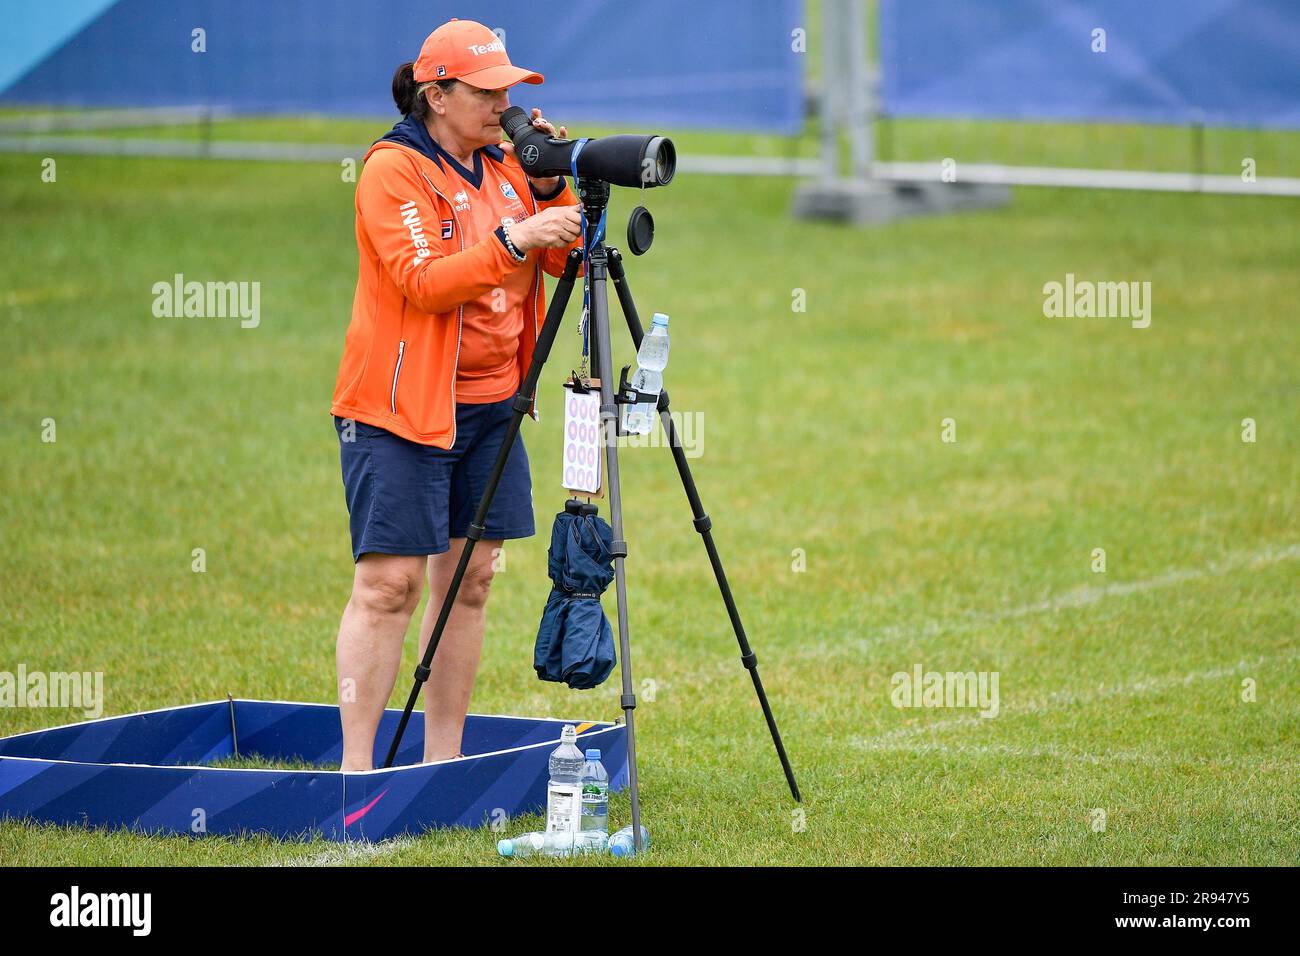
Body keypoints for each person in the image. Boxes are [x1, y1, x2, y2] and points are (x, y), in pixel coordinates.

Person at [329, 18, 584, 771]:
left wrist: (547, 185)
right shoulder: (392, 169)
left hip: (493, 405)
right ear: (437, 94)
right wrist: (516, 239)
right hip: (401, 408)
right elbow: (423, 282)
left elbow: (570, 263)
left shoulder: (508, 166)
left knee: (471, 578)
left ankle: (442, 766)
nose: (504, 103)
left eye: (511, 89)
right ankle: (355, 771)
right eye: (488, 90)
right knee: (388, 585)